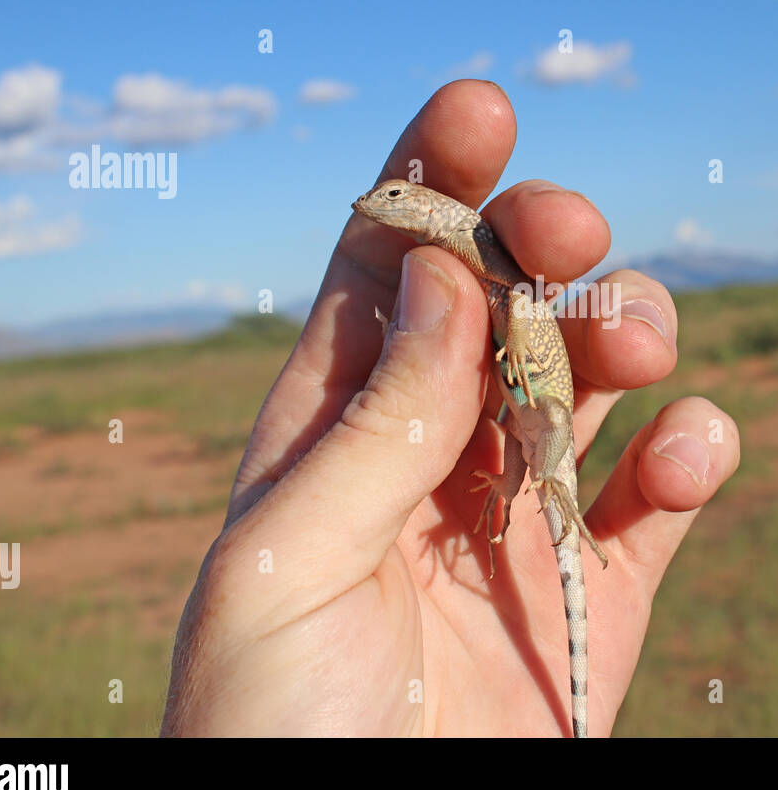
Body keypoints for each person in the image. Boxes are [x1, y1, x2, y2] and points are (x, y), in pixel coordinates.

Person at [161, 80, 741, 736]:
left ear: (423, 203)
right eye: (382, 200)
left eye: (391, 199)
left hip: (543, 405)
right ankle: (523, 485)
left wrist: (539, 464)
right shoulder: (454, 245)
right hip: (526, 419)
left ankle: (547, 490)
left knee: (541, 423)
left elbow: (522, 303)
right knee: (523, 444)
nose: (376, 205)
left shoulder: (476, 236)